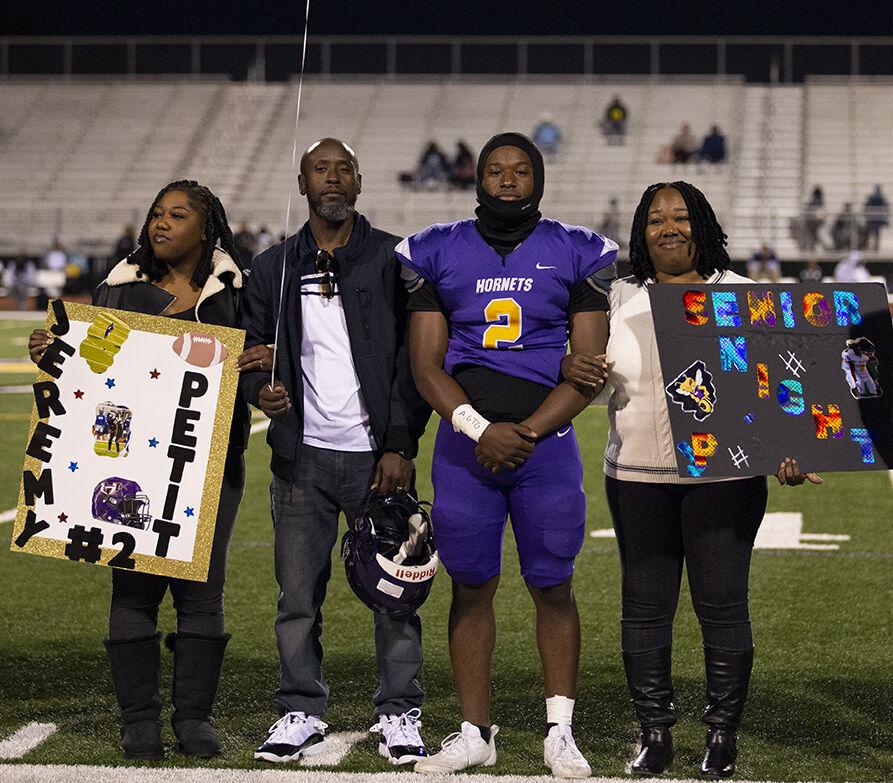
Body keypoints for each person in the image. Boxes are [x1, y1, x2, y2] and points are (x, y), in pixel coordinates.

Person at [561, 181, 821, 779]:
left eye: (681, 217)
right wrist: (571, 365)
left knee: (723, 606)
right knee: (644, 609)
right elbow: (596, 384)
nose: (669, 228)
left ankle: (721, 735)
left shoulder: (742, 294)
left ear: (703, 226)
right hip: (637, 476)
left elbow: (783, 385)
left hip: (723, 480)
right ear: (640, 231)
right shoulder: (617, 296)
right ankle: (655, 735)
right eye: (656, 219)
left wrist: (791, 449)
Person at [400, 132, 618, 777]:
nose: (507, 180)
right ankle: (475, 731)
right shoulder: (436, 251)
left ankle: (561, 730)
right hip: (466, 447)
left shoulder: (577, 251)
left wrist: (522, 432)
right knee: (471, 584)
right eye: (496, 170)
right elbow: (425, 365)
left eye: (520, 171)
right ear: (478, 178)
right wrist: (477, 427)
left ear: (539, 180)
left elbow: (588, 370)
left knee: (553, 583)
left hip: (544, 444)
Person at [28, 180, 265, 761]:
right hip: (128, 462)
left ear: (206, 228)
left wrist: (261, 368)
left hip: (210, 461)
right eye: (157, 214)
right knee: (132, 588)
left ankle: (193, 719)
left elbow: (257, 370)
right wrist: (54, 350)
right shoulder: (120, 286)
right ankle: (139, 721)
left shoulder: (238, 289)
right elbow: (90, 363)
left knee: (202, 594)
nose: (161, 224)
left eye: (177, 216)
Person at [240, 138, 432, 766]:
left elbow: (416, 360)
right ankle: (300, 707)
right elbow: (248, 356)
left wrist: (402, 442)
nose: (331, 178)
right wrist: (258, 390)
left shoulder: (392, 259)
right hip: (303, 457)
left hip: (380, 458)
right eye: (319, 169)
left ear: (359, 180)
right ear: (302, 185)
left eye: (342, 168)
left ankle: (399, 711)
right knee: (297, 595)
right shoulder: (271, 268)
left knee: (397, 594)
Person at [863, 185, 889, 251]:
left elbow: (866, 207)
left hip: (873, 219)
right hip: (876, 219)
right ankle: (874, 247)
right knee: (874, 234)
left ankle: (870, 246)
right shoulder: (880, 198)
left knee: (871, 233)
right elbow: (885, 208)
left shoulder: (873, 197)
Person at [802, 186, 826, 252]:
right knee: (814, 235)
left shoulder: (815, 200)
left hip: (813, 221)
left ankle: (814, 247)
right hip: (814, 221)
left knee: (813, 235)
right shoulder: (818, 201)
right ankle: (818, 247)